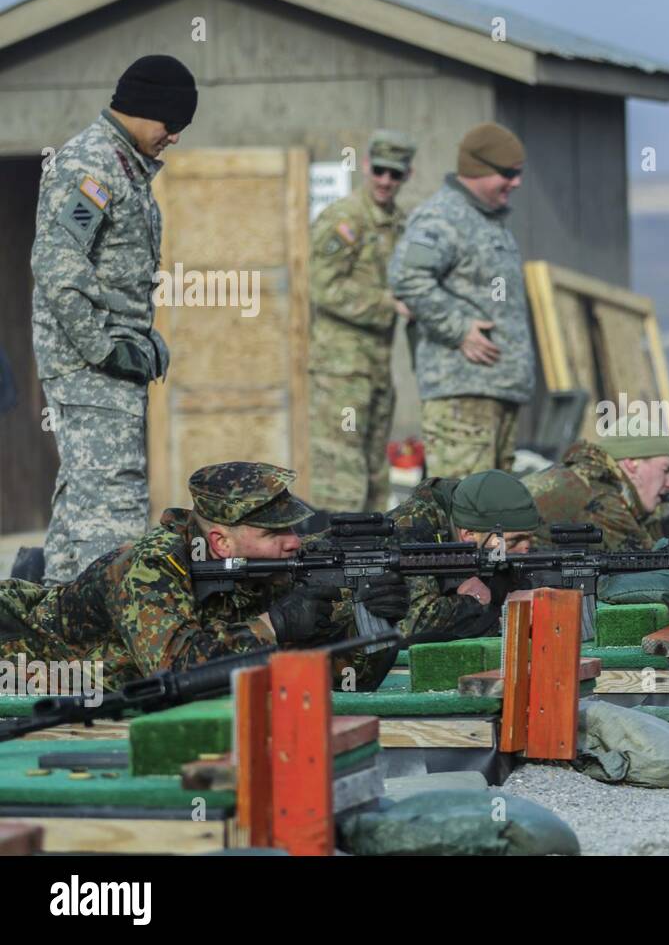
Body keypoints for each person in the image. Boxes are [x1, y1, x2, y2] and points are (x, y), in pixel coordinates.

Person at [0, 462, 409, 691]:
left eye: (293, 529)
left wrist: (376, 627)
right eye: (275, 533)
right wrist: (274, 626)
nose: (294, 542)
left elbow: (342, 680)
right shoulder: (151, 566)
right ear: (221, 542)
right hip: (19, 650)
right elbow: (176, 670)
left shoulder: (271, 572)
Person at [31, 55, 198, 585]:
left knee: (81, 496)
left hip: (104, 363)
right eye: (172, 125)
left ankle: (53, 624)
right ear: (147, 109)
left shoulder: (121, 164)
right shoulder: (93, 166)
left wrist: (141, 337)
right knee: (113, 507)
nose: (174, 137)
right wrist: (104, 347)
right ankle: (112, 648)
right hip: (91, 368)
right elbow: (58, 265)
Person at [389, 122, 534, 478]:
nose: (516, 182)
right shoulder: (442, 217)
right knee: (466, 509)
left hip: (496, 390)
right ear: (479, 170)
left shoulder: (487, 220)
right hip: (462, 394)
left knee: (498, 512)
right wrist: (459, 329)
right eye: (508, 173)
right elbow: (407, 278)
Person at [308, 129, 417, 513]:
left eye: (396, 174)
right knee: (341, 474)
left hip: (376, 368)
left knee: (374, 473)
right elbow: (322, 287)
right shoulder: (344, 219)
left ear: (408, 175)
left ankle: (369, 563)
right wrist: (387, 304)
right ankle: (335, 561)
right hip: (341, 371)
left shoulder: (397, 223)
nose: (386, 181)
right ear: (367, 166)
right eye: (380, 171)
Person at [524, 424, 669, 557]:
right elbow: (658, 575)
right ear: (631, 464)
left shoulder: (586, 478)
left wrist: (660, 529)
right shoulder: (599, 498)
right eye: (665, 470)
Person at [389, 468, 541, 640]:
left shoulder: (478, 514)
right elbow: (416, 624)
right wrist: (501, 607)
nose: (525, 550)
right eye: (514, 541)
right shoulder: (409, 529)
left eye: (530, 539)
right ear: (469, 535)